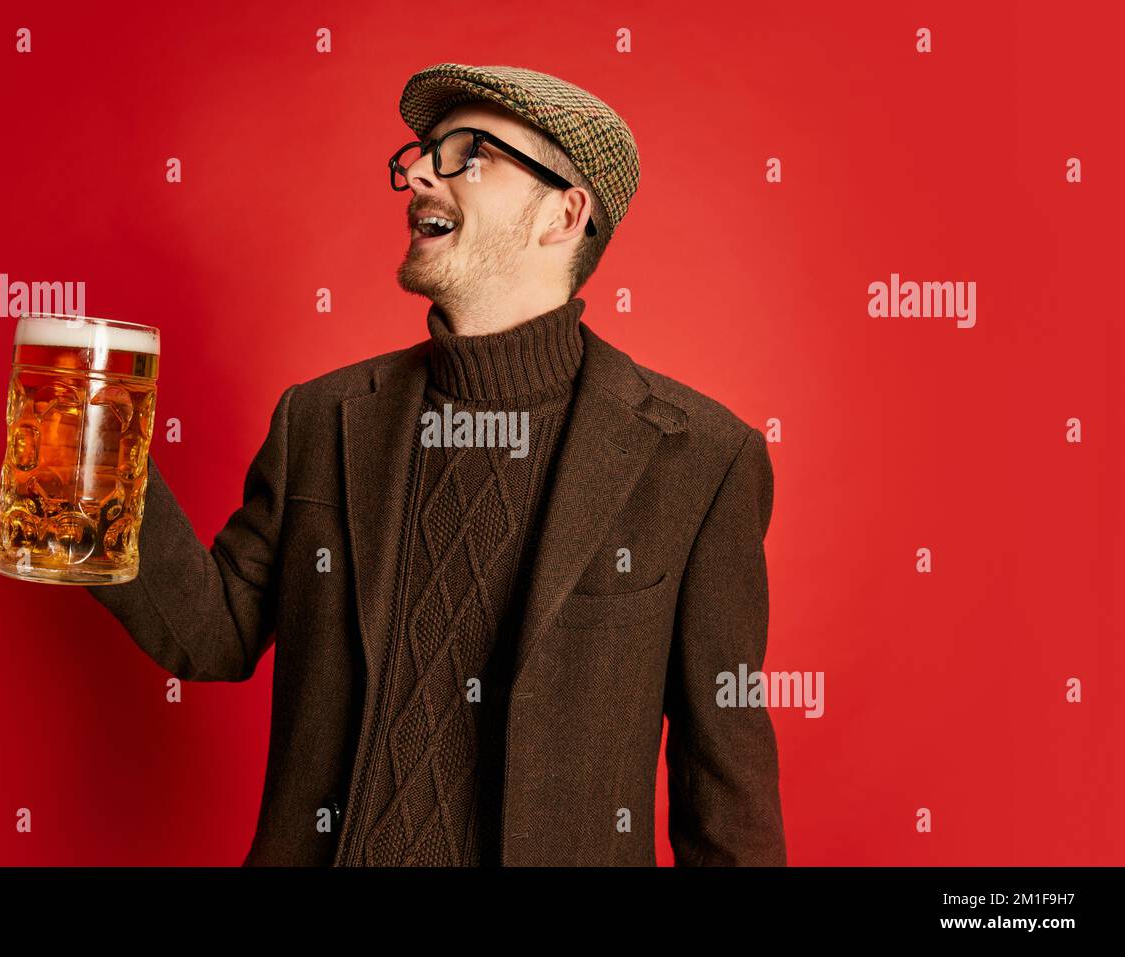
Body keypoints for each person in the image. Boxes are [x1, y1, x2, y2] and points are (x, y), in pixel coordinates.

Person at [86, 63, 786, 867]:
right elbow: (212, 633)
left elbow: (725, 794)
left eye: (467, 153)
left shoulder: (700, 458)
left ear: (563, 214)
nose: (418, 172)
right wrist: (88, 454)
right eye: (421, 153)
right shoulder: (319, 420)